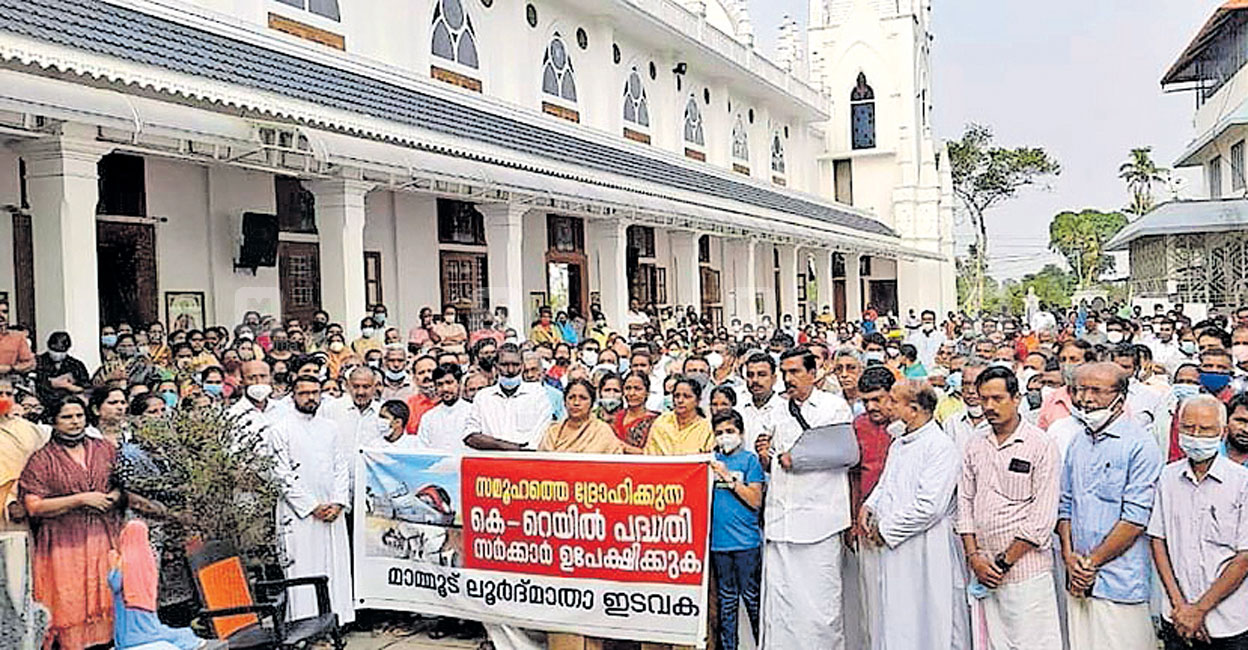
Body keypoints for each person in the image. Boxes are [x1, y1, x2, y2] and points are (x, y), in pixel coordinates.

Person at [955, 366, 1062, 650]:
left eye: (998, 398)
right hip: (983, 569)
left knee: (1032, 644)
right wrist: (975, 558)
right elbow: (964, 503)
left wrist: (1001, 564)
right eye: (984, 399)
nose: (989, 406)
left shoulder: (1040, 445)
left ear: (1016, 399)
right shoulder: (974, 444)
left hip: (1026, 572)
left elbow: (1041, 518)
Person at [1057, 363, 1162, 650]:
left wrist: (1091, 563)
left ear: (1121, 398)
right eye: (1080, 390)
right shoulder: (1078, 441)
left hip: (1119, 582)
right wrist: (1069, 557)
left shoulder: (1141, 445)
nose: (1086, 398)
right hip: (1078, 579)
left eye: (1096, 391)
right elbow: (1065, 504)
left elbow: (1136, 519)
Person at [756, 347, 854, 650]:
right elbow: (770, 461)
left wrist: (797, 458)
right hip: (781, 521)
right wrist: (765, 456)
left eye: (795, 371)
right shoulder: (776, 410)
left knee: (821, 610)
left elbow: (844, 453)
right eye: (785, 372)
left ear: (813, 373)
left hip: (819, 522)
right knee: (781, 608)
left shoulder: (834, 407)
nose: (789, 378)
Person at [860, 380, 969, 650]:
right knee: (894, 617)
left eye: (894, 401)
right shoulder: (899, 442)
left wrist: (886, 530)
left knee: (927, 619)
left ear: (914, 409)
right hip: (895, 548)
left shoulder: (940, 446)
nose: (887, 406)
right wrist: (869, 505)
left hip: (925, 548)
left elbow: (930, 506)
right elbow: (887, 483)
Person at [20, 396, 122, 650]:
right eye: (67, 417)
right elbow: (33, 506)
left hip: (104, 536)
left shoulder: (105, 449)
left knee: (107, 593)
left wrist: (112, 497)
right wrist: (80, 500)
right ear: (53, 421)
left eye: (79, 416)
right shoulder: (42, 459)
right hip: (64, 542)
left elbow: (122, 486)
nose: (75, 422)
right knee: (69, 599)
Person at [1149, 395, 1248, 650]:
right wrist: (1180, 606)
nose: (1195, 435)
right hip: (1176, 615)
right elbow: (1158, 541)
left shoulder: (1242, 483)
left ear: (1222, 432)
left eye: (1205, 429)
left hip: (1228, 621)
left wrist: (1200, 609)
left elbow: (1244, 557)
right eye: (1188, 427)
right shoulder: (1168, 477)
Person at [267, 375, 354, 626]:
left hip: (332, 512)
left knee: (334, 567)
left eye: (315, 393)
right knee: (303, 569)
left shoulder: (331, 428)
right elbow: (280, 474)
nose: (310, 398)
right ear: (293, 395)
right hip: (299, 514)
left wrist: (338, 502)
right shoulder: (280, 429)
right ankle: (304, 625)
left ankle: (336, 621)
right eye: (304, 393)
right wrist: (312, 506)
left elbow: (341, 467)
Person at [843, 365, 896, 649]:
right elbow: (853, 476)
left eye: (878, 399)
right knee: (871, 600)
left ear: (892, 395)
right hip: (866, 522)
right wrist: (852, 521)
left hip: (902, 524)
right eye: (866, 401)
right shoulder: (858, 426)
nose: (872, 407)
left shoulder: (907, 424)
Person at [108, 519, 217, 650]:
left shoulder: (122, 561)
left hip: (129, 619)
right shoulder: (149, 561)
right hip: (145, 616)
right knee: (183, 634)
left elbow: (115, 584)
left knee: (177, 633)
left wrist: (115, 567)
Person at [709, 409, 765, 650]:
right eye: (719, 432)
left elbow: (755, 500)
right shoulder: (709, 460)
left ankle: (762, 644)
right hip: (718, 543)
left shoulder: (750, 461)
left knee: (752, 599)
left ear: (741, 433)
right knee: (726, 601)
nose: (725, 436)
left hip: (746, 543)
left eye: (730, 431)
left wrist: (727, 477)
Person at [464, 344, 552, 452]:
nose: (510, 370)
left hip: (527, 458)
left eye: (515, 365)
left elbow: (543, 431)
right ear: (496, 366)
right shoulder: (483, 397)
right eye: (504, 365)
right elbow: (470, 436)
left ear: (522, 366)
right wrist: (512, 448)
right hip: (492, 459)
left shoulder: (537, 394)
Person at [539, 379, 631, 453]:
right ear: (564, 402)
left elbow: (614, 463)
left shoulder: (602, 431)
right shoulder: (553, 431)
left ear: (592, 403)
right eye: (571, 398)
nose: (576, 403)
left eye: (583, 398)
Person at [644, 375, 713, 456]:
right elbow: (650, 453)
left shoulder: (706, 427)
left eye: (687, 397)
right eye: (677, 396)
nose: (680, 401)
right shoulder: (662, 422)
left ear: (698, 401)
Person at [414, 364, 472, 454]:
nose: (445, 389)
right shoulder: (428, 417)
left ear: (459, 383)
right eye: (440, 384)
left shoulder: (472, 412)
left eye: (449, 383)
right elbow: (422, 449)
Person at [35, 331, 90, 406]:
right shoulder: (38, 362)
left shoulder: (76, 365)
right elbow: (34, 383)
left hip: (69, 403)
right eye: (54, 351)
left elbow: (86, 387)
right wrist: (51, 383)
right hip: (43, 402)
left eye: (61, 351)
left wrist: (69, 386)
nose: (57, 354)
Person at [740, 353, 782, 450]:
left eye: (762, 375)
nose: (755, 380)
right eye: (750, 375)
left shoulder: (785, 411)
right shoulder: (738, 407)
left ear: (774, 378)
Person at [613, 371, 659, 448]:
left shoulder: (655, 421)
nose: (631, 393)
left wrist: (623, 447)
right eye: (628, 388)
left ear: (647, 393)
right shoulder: (615, 417)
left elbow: (653, 452)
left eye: (638, 389)